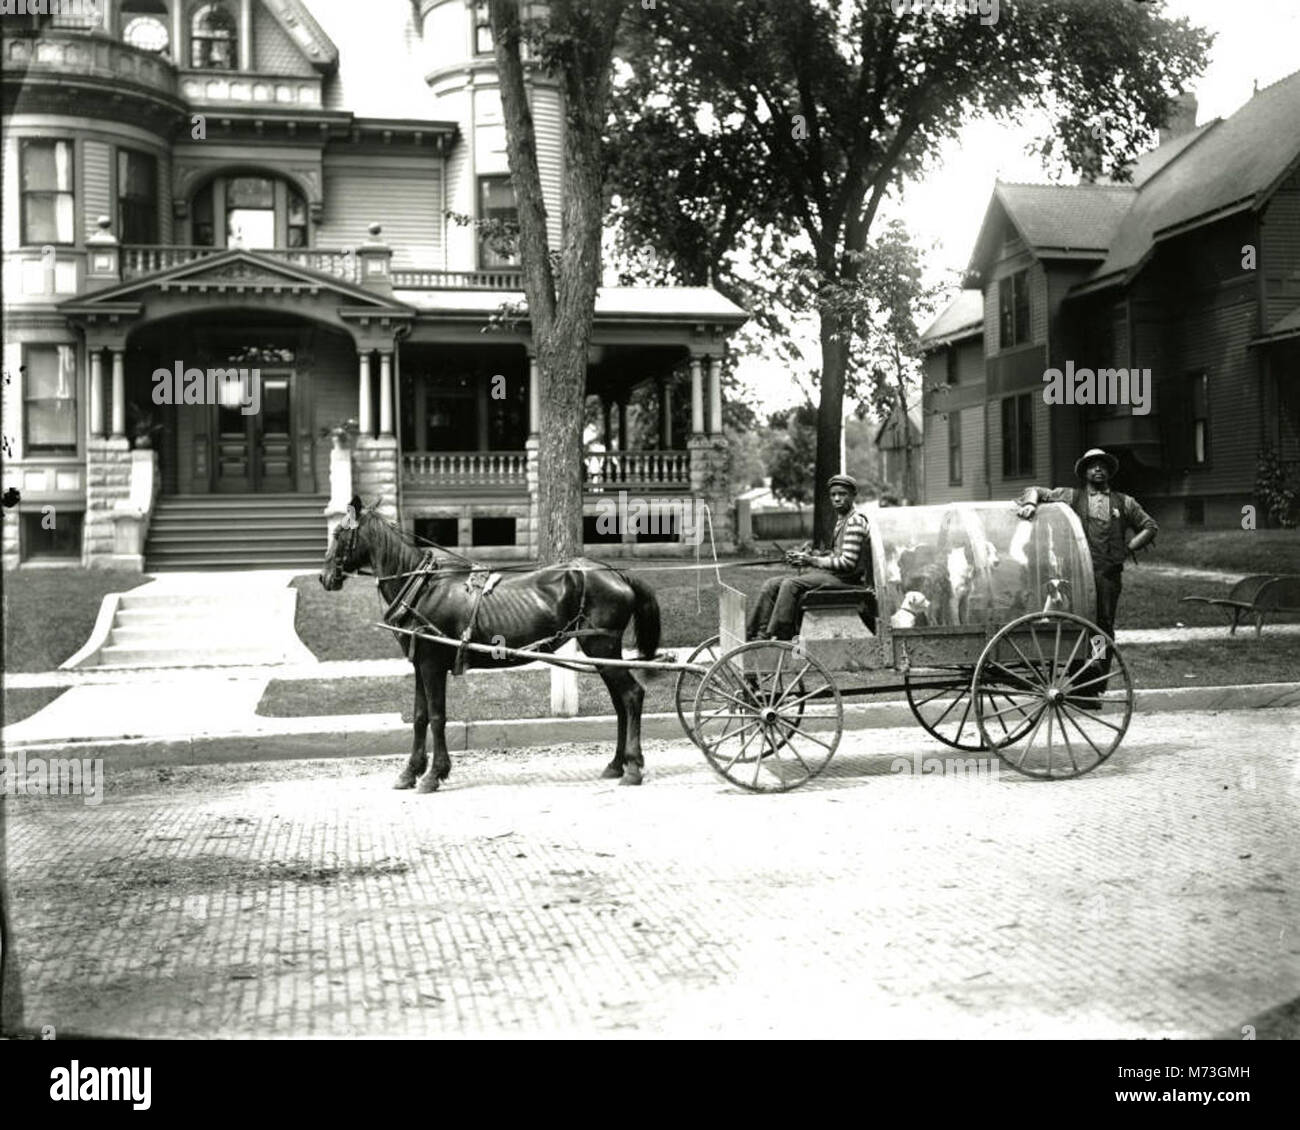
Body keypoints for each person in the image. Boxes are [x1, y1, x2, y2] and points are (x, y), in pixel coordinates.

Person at [1014, 447, 1158, 700]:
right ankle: (1074, 677)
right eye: (1092, 465)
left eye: (1102, 465)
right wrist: (1029, 504)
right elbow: (1036, 490)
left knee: (1102, 626)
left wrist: (1128, 549)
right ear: (1085, 472)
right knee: (1074, 623)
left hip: (1108, 575)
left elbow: (1149, 526)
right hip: (1077, 573)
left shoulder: (1125, 502)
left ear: (1109, 471)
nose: (1098, 469)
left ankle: (1095, 679)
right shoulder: (1071, 496)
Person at [747, 474, 871, 641]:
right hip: (835, 576)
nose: (837, 498)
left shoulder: (855, 522)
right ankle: (754, 633)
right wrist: (811, 555)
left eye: (842, 494)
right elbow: (837, 555)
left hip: (848, 581)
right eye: (833, 495)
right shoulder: (842, 520)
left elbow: (847, 563)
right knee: (771, 584)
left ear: (853, 496)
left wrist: (811, 560)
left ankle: (780, 634)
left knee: (790, 584)